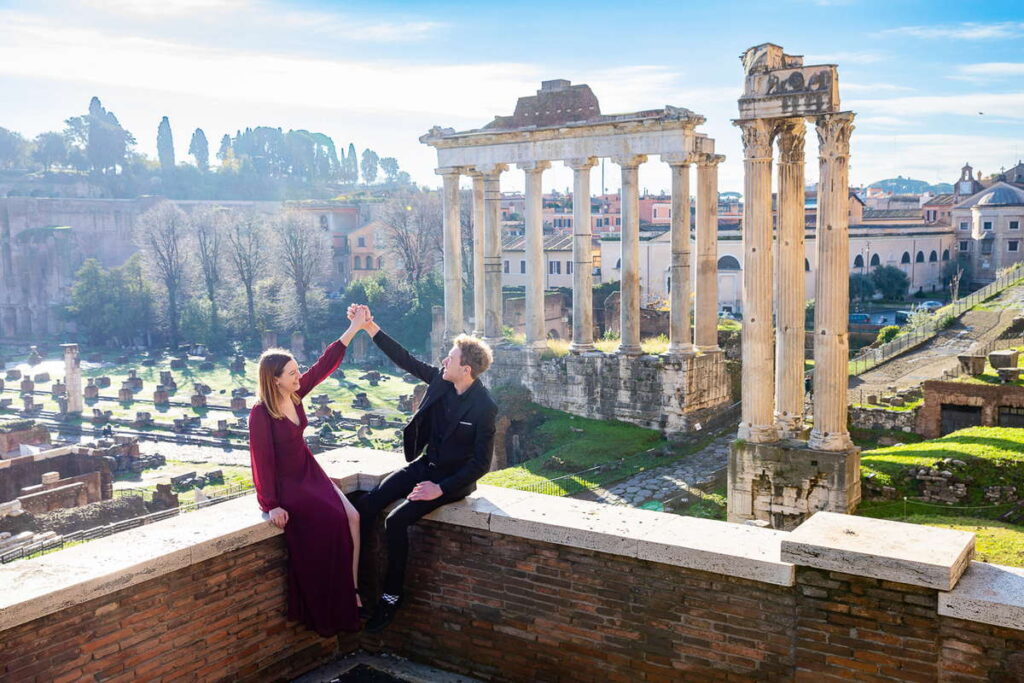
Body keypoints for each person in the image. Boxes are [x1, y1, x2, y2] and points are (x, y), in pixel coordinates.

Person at [347, 304, 498, 633]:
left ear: (467, 369)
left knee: (397, 519)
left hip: (451, 482)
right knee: (367, 505)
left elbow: (480, 464)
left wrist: (440, 489)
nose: (444, 360)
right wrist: (370, 327)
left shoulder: (485, 407)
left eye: (451, 357)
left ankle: (390, 597)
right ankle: (352, 588)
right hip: (425, 465)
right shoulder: (442, 382)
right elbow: (405, 359)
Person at [248, 309, 370, 637]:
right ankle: (335, 597)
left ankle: (351, 590)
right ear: (274, 379)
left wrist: (353, 329)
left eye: (296, 370)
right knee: (333, 520)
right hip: (289, 486)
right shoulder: (261, 414)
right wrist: (270, 504)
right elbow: (261, 462)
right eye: (291, 373)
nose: (298, 375)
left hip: (309, 470)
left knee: (354, 517)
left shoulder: (296, 395)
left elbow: (323, 366)